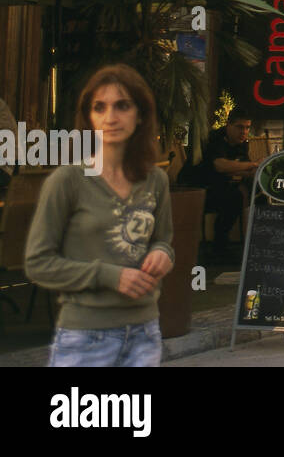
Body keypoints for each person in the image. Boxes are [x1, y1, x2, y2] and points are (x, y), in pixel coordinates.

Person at [25, 64, 174, 367]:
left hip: (145, 332)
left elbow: (164, 240)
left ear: (140, 114)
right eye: (99, 107)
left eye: (122, 105)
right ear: (88, 117)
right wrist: (109, 276)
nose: (110, 117)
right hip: (85, 338)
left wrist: (162, 253)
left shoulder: (155, 180)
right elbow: (37, 263)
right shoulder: (68, 181)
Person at [199, 111, 259, 261]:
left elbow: (243, 169)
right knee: (233, 198)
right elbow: (219, 165)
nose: (244, 132)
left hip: (222, 185)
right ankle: (219, 248)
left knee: (258, 192)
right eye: (240, 127)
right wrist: (252, 165)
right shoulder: (215, 139)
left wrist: (258, 171)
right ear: (228, 125)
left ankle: (257, 242)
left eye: (247, 127)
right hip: (198, 189)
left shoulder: (242, 144)